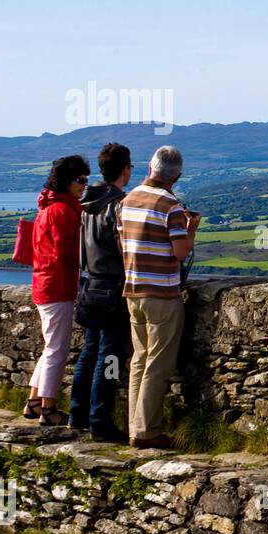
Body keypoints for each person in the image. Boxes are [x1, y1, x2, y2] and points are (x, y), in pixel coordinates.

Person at [119, 146, 200, 448]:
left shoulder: (127, 200)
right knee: (158, 363)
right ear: (176, 176)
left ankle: (134, 427)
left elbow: (121, 242)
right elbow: (180, 252)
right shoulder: (171, 206)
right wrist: (191, 229)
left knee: (139, 360)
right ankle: (147, 431)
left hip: (133, 289)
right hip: (162, 294)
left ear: (149, 168)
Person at [68, 143, 133, 442]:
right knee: (109, 357)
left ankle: (76, 414)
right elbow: (125, 249)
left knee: (89, 352)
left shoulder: (86, 202)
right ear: (125, 169)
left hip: (88, 284)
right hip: (112, 286)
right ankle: (100, 421)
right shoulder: (119, 204)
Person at [24, 155, 90, 425]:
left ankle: (34, 401)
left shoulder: (48, 207)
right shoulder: (61, 210)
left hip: (45, 284)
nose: (84, 186)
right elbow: (66, 251)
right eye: (80, 181)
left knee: (50, 347)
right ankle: (48, 409)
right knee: (57, 350)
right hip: (57, 286)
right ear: (67, 181)